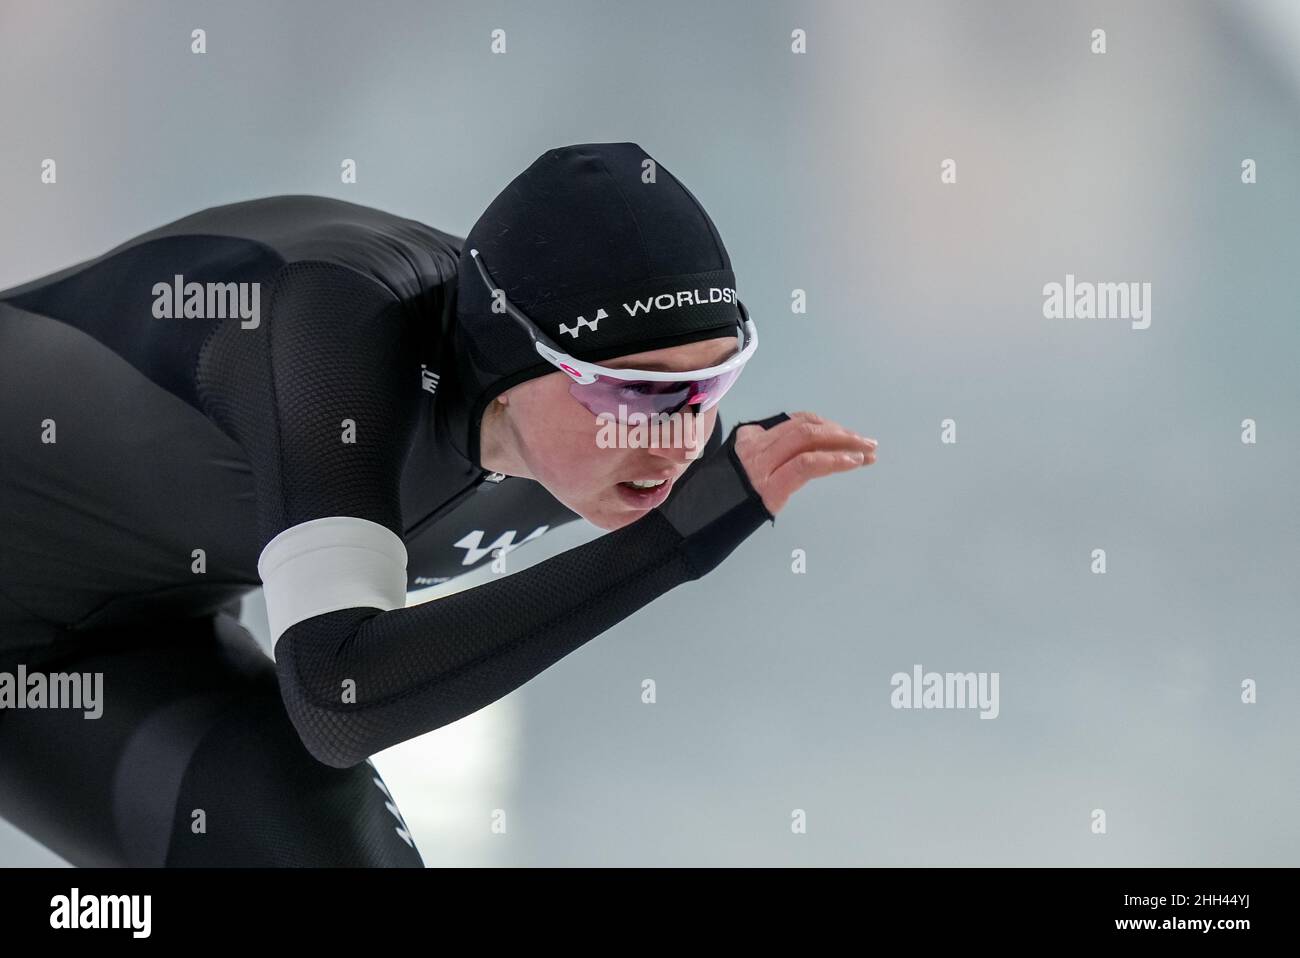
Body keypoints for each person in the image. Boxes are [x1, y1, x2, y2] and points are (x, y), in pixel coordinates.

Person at [0, 142, 876, 867]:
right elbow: (341, 694)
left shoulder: (656, 449)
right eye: (630, 393)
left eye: (712, 383)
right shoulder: (336, 334)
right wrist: (673, 548)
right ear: (509, 362)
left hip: (126, 638)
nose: (682, 441)